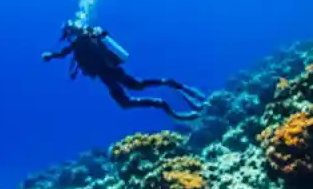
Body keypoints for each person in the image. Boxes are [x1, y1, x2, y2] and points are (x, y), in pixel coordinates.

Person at [41, 20, 207, 121]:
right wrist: (52, 55)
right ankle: (173, 93)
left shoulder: (84, 40)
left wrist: (51, 55)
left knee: (129, 98)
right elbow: (64, 53)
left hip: (108, 74)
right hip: (111, 73)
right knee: (135, 90)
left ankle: (169, 103)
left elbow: (63, 53)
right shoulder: (85, 39)